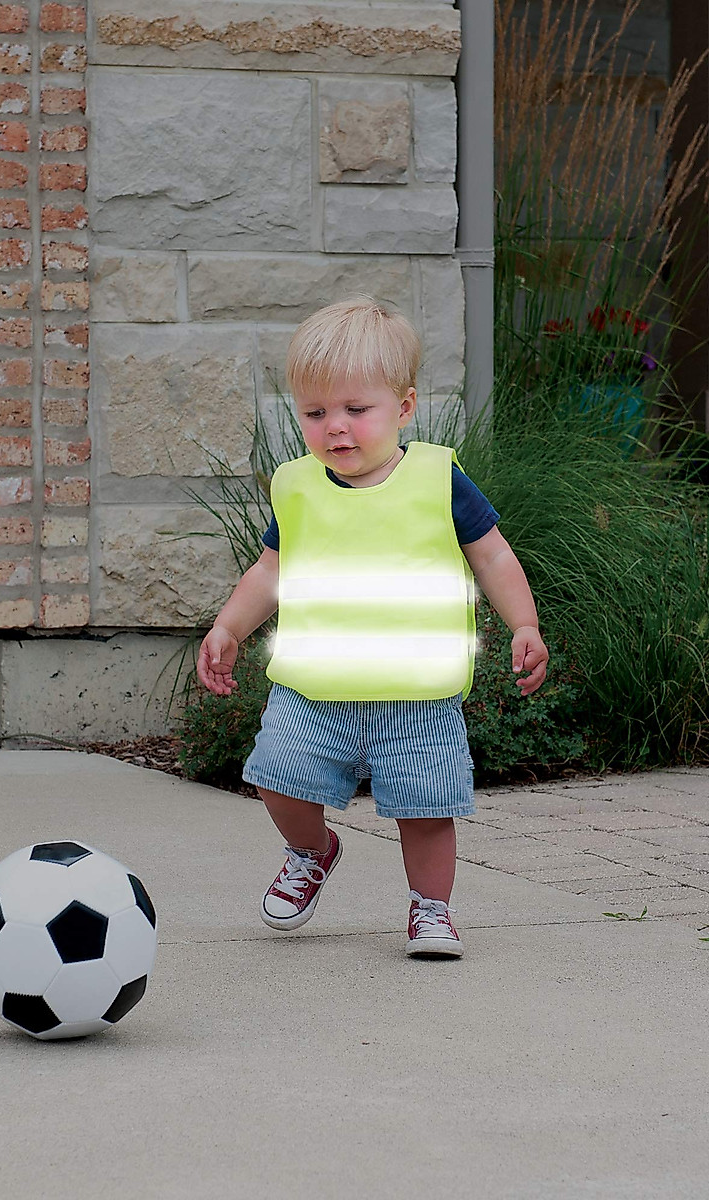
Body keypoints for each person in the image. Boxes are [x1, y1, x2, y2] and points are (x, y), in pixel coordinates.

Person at [196, 295, 548, 958]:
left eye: (357, 410)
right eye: (316, 412)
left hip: (417, 694)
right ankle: (311, 850)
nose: (337, 428)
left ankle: (431, 910)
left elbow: (494, 555)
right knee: (275, 774)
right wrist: (229, 627)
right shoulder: (297, 486)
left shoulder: (437, 478)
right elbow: (269, 573)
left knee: (425, 810)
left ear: (405, 407)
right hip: (312, 688)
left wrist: (524, 622)